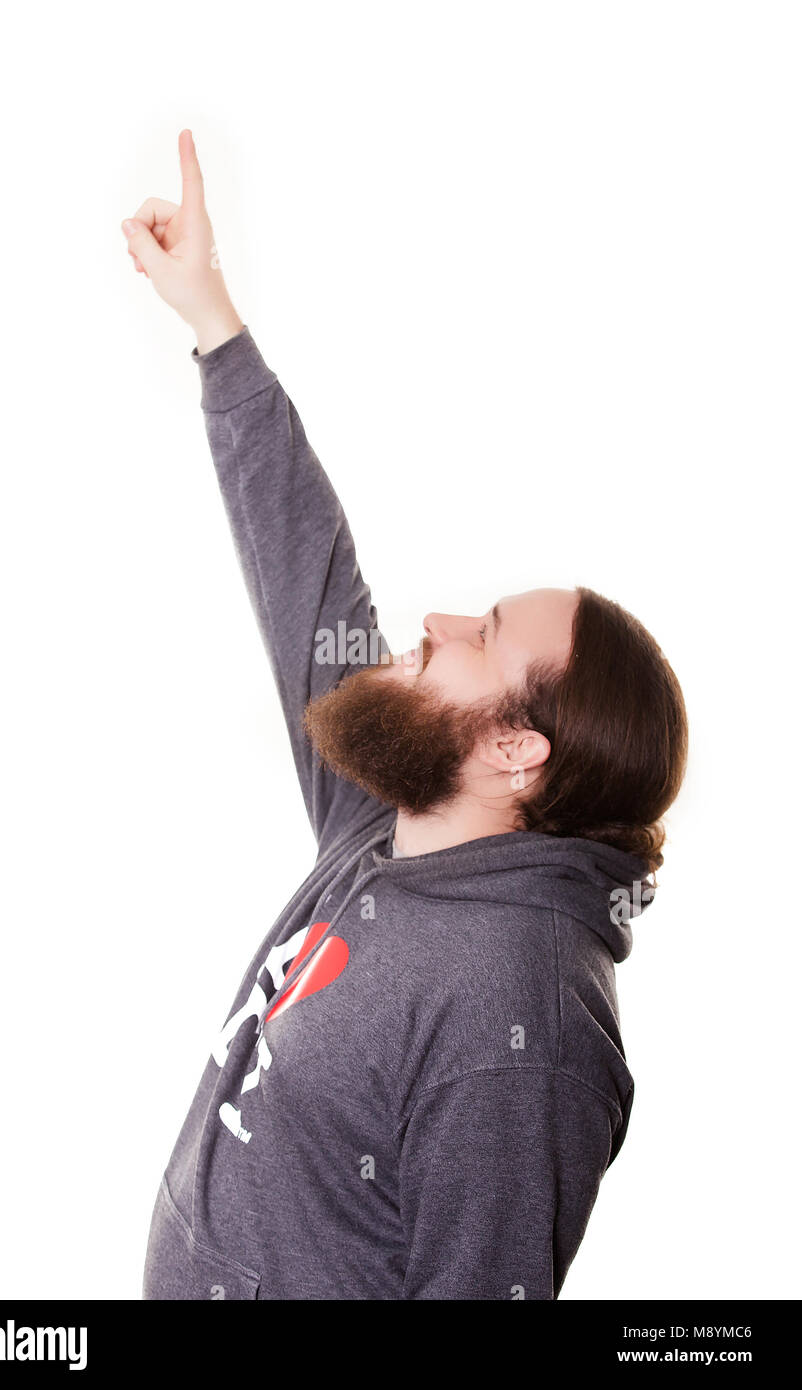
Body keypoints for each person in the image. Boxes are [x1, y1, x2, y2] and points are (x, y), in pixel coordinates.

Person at [122, 130, 688, 1301]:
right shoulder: (391, 819)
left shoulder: (517, 1015)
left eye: (480, 636)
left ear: (516, 750)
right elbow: (308, 591)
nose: (435, 623)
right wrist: (214, 324)